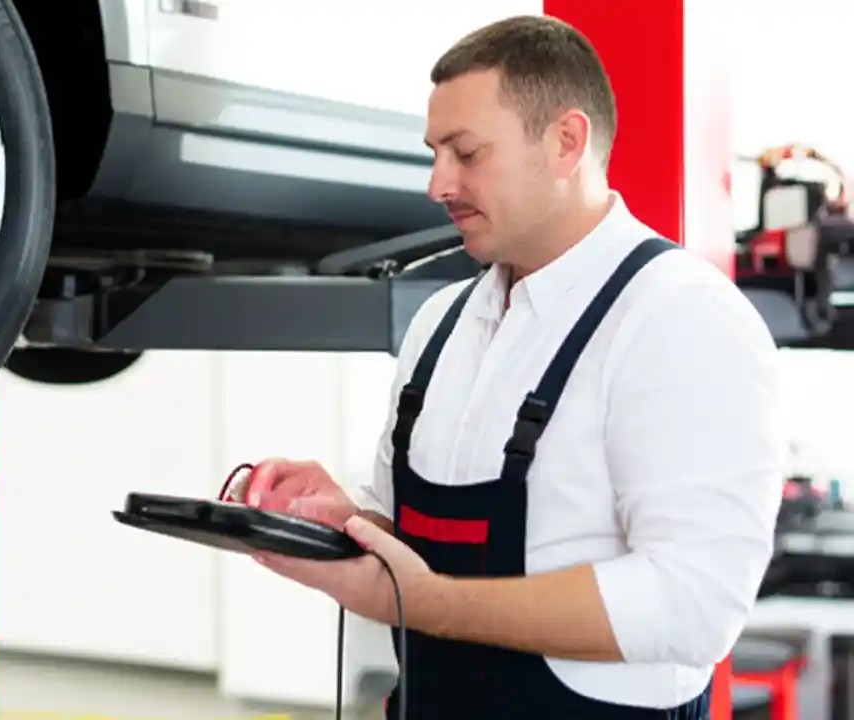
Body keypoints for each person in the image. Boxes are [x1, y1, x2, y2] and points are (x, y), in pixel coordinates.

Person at [226, 14, 785, 719]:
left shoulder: (678, 317)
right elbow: (427, 553)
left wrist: (439, 606)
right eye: (435, 153)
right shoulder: (441, 324)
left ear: (566, 142)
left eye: (467, 153)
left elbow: (693, 603)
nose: (438, 184)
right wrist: (349, 522)